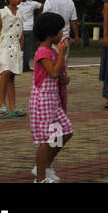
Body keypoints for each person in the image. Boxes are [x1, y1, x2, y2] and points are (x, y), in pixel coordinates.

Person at [29, 13, 73, 182]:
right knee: (46, 140)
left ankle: (45, 165)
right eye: (60, 30)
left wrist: (65, 79)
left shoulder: (52, 51)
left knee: (66, 131)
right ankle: (40, 178)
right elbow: (53, 73)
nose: (62, 34)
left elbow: (58, 74)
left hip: (53, 101)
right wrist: (62, 53)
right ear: (51, 33)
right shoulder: (43, 52)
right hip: (43, 101)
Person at [0, 0, 26, 117]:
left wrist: (21, 49)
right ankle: (2, 103)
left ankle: (13, 106)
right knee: (5, 73)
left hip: (16, 47)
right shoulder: (2, 12)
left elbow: (22, 33)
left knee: (12, 76)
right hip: (4, 45)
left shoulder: (21, 13)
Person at [17, 0, 42, 73]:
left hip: (19, 29)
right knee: (27, 49)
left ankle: (16, 66)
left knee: (17, 48)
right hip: (29, 29)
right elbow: (43, 5)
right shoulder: (33, 4)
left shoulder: (17, 3)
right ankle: (25, 67)